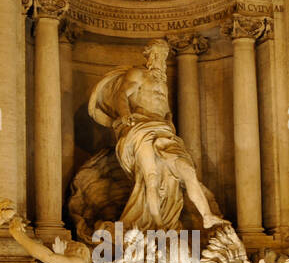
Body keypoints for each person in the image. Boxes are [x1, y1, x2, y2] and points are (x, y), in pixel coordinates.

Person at [87, 39, 223, 231]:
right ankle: (158, 227)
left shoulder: (163, 83)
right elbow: (122, 95)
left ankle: (207, 216)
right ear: (148, 56)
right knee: (150, 178)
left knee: (187, 170)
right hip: (140, 128)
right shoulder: (138, 74)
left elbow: (165, 111)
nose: (159, 59)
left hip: (164, 131)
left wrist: (171, 127)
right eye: (156, 55)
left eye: (163, 56)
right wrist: (125, 114)